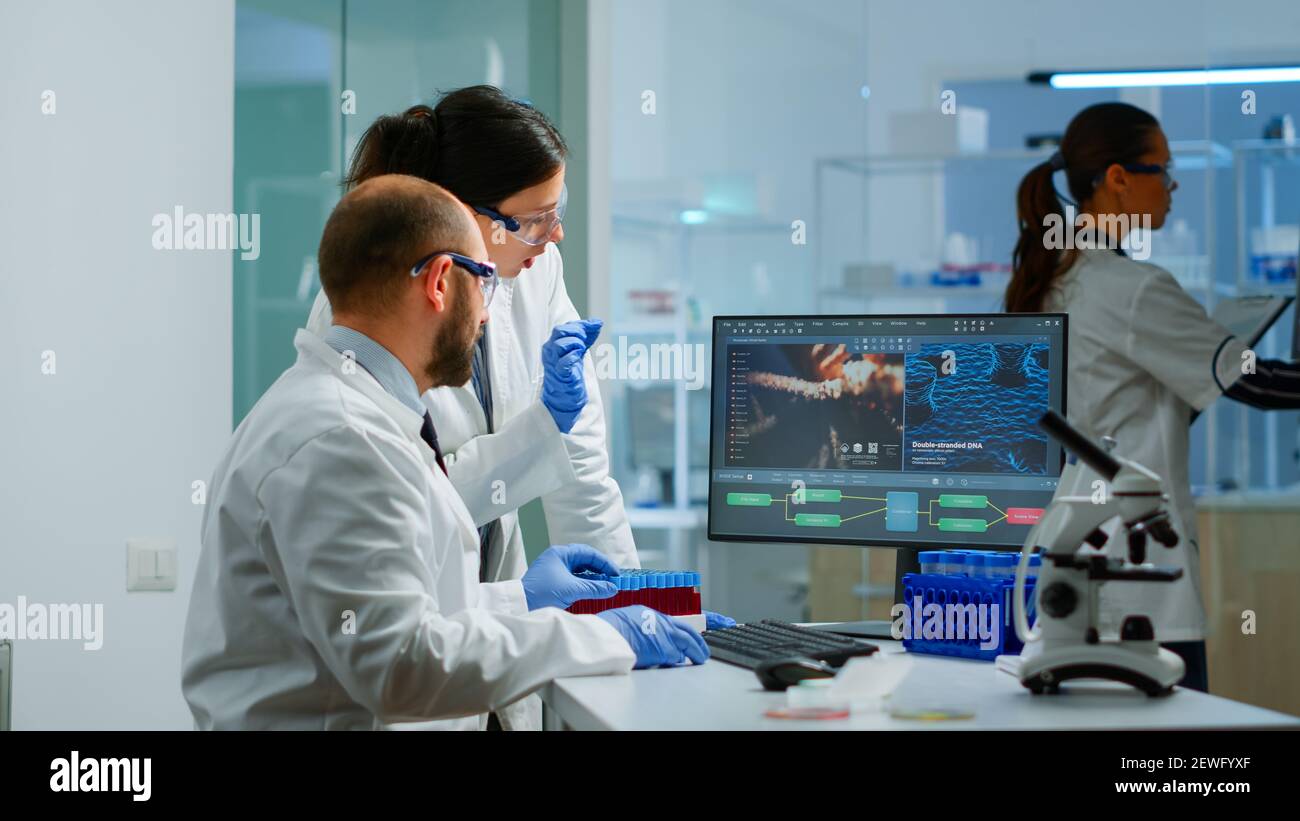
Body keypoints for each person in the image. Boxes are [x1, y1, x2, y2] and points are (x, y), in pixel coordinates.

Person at [182, 175, 707, 730]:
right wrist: (599, 635)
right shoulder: (341, 440)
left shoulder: (352, 414)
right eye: (484, 284)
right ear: (438, 282)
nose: (486, 315)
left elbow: (394, 615)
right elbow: (399, 666)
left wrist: (521, 602)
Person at [1006, 102, 1300, 692]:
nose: (1171, 186)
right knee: (1174, 775)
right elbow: (1258, 384)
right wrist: (1222, 363)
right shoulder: (1133, 288)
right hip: (1138, 572)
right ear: (1117, 178)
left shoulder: (1057, 275)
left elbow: (1116, 408)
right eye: (1161, 170)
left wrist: (1198, 366)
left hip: (1076, 548)